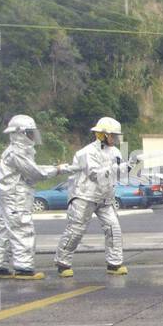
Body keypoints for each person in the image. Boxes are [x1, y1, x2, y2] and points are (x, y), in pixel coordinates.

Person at [0, 115, 70, 280]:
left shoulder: (17, 151)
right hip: (15, 196)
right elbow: (35, 173)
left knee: (5, 229)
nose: (33, 137)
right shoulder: (17, 152)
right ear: (20, 133)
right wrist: (58, 170)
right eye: (30, 133)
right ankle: (23, 268)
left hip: (11, 195)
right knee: (22, 228)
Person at [54, 116, 130, 277]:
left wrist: (129, 167)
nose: (115, 139)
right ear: (103, 135)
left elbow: (117, 174)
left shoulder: (116, 152)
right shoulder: (86, 153)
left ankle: (114, 264)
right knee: (76, 230)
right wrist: (119, 168)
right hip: (84, 195)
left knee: (114, 229)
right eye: (113, 136)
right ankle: (63, 263)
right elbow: (95, 174)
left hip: (105, 197)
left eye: (116, 136)